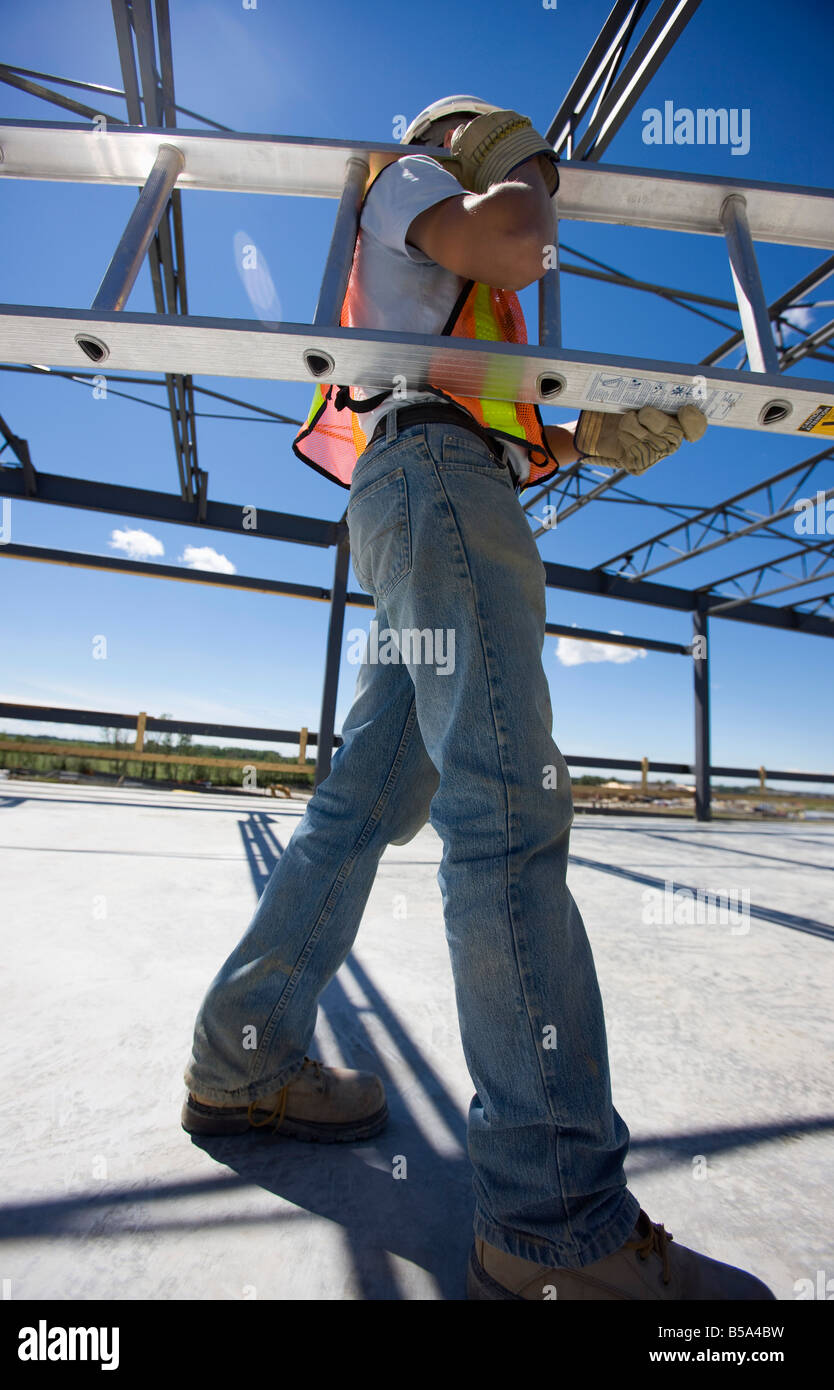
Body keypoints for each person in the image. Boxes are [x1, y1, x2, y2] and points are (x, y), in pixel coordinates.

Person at [182, 97, 774, 1301]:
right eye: (494, 143)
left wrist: (578, 432)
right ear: (458, 145)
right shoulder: (410, 180)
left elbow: (471, 382)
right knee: (506, 810)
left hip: (431, 478)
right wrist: (523, 169)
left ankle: (245, 1051)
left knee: (366, 801)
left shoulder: (437, 273)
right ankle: (551, 1218)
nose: (519, 166)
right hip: (440, 491)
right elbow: (512, 241)